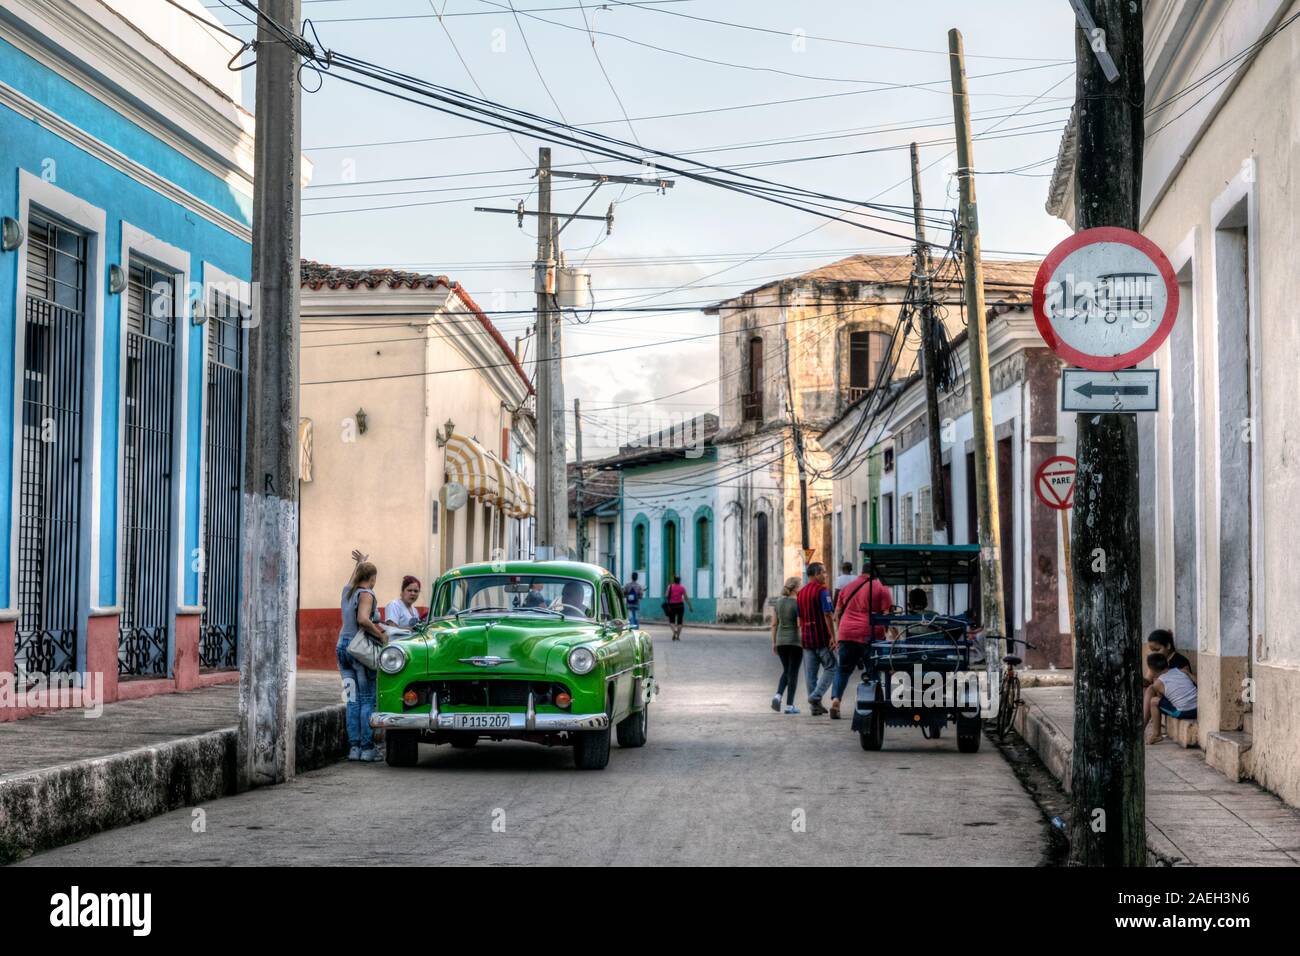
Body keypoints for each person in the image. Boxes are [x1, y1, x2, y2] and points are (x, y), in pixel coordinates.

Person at [338, 551, 388, 762]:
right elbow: (363, 619)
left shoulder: (347, 591)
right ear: (373, 578)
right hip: (359, 651)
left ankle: (354, 748)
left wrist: (359, 564)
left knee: (352, 700)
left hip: (341, 648)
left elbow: (351, 580)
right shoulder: (366, 594)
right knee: (367, 699)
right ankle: (367, 749)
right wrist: (381, 634)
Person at [828, 562, 892, 720]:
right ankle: (876, 704)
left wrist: (838, 634)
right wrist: (888, 633)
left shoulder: (848, 587)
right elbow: (886, 616)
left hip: (846, 633)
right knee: (873, 670)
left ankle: (836, 699)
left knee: (843, 670)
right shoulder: (881, 588)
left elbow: (837, 613)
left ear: (861, 572)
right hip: (870, 635)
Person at [797, 562, 838, 716]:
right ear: (815, 574)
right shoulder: (822, 591)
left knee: (810, 674)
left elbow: (799, 617)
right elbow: (828, 614)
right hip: (821, 637)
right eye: (824, 572)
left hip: (806, 638)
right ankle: (815, 696)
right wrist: (833, 636)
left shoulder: (800, 593)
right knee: (832, 667)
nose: (826, 575)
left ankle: (815, 707)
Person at [1144, 652, 1198, 744]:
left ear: (1152, 671)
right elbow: (1195, 680)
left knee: (1154, 701)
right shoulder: (1182, 671)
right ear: (1168, 663)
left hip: (1184, 712)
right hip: (1198, 708)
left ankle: (1156, 734)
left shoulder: (1158, 684)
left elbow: (1159, 697)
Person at [770, 577, 803, 714]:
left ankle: (778, 696)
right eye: (800, 586)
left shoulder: (778, 603)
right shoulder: (798, 603)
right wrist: (803, 640)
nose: (801, 588)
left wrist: (774, 642)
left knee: (786, 670)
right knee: (793, 673)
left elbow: (773, 624)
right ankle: (790, 705)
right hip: (794, 642)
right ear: (795, 588)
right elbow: (799, 624)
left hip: (781, 641)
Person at [664, 575, 692, 641]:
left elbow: (666, 595)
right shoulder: (682, 588)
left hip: (672, 606)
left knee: (671, 621)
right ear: (679, 581)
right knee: (680, 622)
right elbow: (686, 598)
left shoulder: (670, 587)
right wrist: (690, 606)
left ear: (674, 580)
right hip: (680, 606)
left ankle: (674, 631)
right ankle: (678, 636)